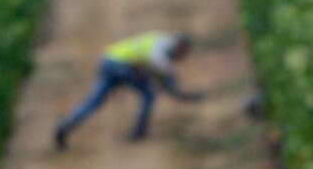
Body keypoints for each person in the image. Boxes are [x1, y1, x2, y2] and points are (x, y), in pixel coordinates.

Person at [53, 32, 202, 148]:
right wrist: (181, 93)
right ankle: (139, 132)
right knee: (148, 94)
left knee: (94, 101)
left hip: (107, 60)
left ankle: (66, 125)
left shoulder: (159, 39)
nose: (181, 57)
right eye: (183, 53)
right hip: (120, 66)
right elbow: (164, 75)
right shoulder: (160, 53)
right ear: (179, 46)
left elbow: (153, 71)